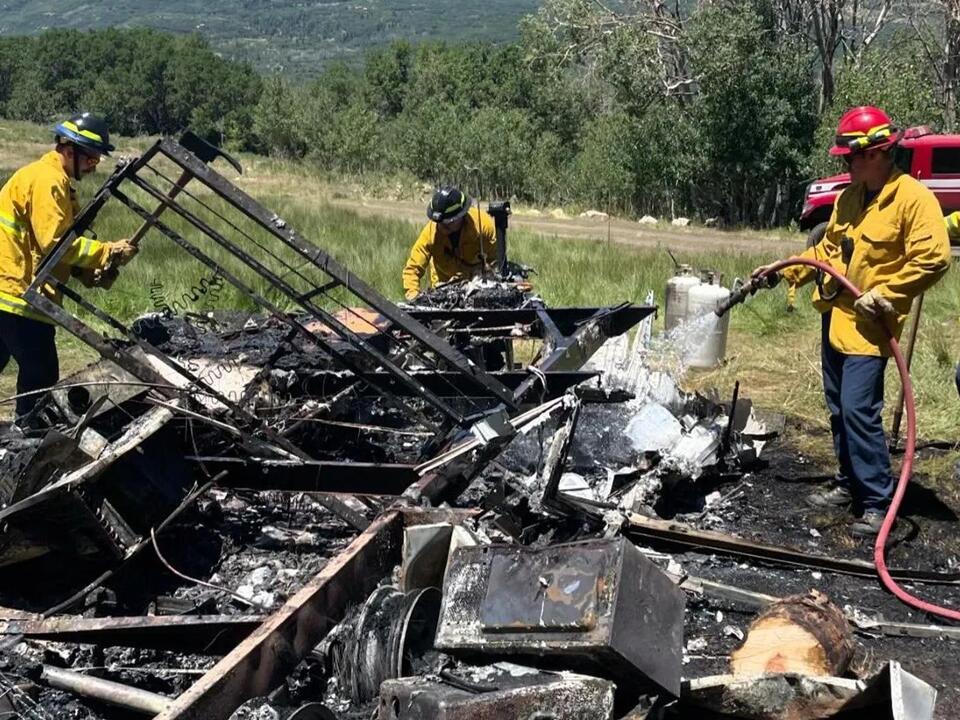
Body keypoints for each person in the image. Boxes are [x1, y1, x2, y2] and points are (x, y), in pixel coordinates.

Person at [753, 106, 951, 537]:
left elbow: (934, 259)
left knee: (859, 410)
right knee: (839, 409)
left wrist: (887, 293)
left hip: (870, 327)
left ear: (877, 153)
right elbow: (826, 254)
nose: (847, 165)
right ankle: (848, 483)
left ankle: (877, 502)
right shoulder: (849, 197)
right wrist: (784, 272)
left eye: (852, 157)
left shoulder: (913, 200)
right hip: (836, 319)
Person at [0, 112, 137, 425]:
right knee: (41, 371)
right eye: (91, 158)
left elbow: (51, 246)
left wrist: (86, 273)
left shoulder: (50, 179)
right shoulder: (48, 181)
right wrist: (107, 251)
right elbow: (55, 244)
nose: (94, 166)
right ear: (69, 150)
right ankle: (28, 432)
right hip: (17, 294)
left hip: (9, 290)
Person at [402, 186, 497, 301]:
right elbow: (412, 269)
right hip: (444, 291)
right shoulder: (430, 233)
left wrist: (486, 277)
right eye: (439, 222)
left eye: (447, 223)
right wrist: (413, 296)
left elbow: (496, 261)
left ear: (461, 216)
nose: (441, 226)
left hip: (477, 287)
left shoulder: (483, 225)